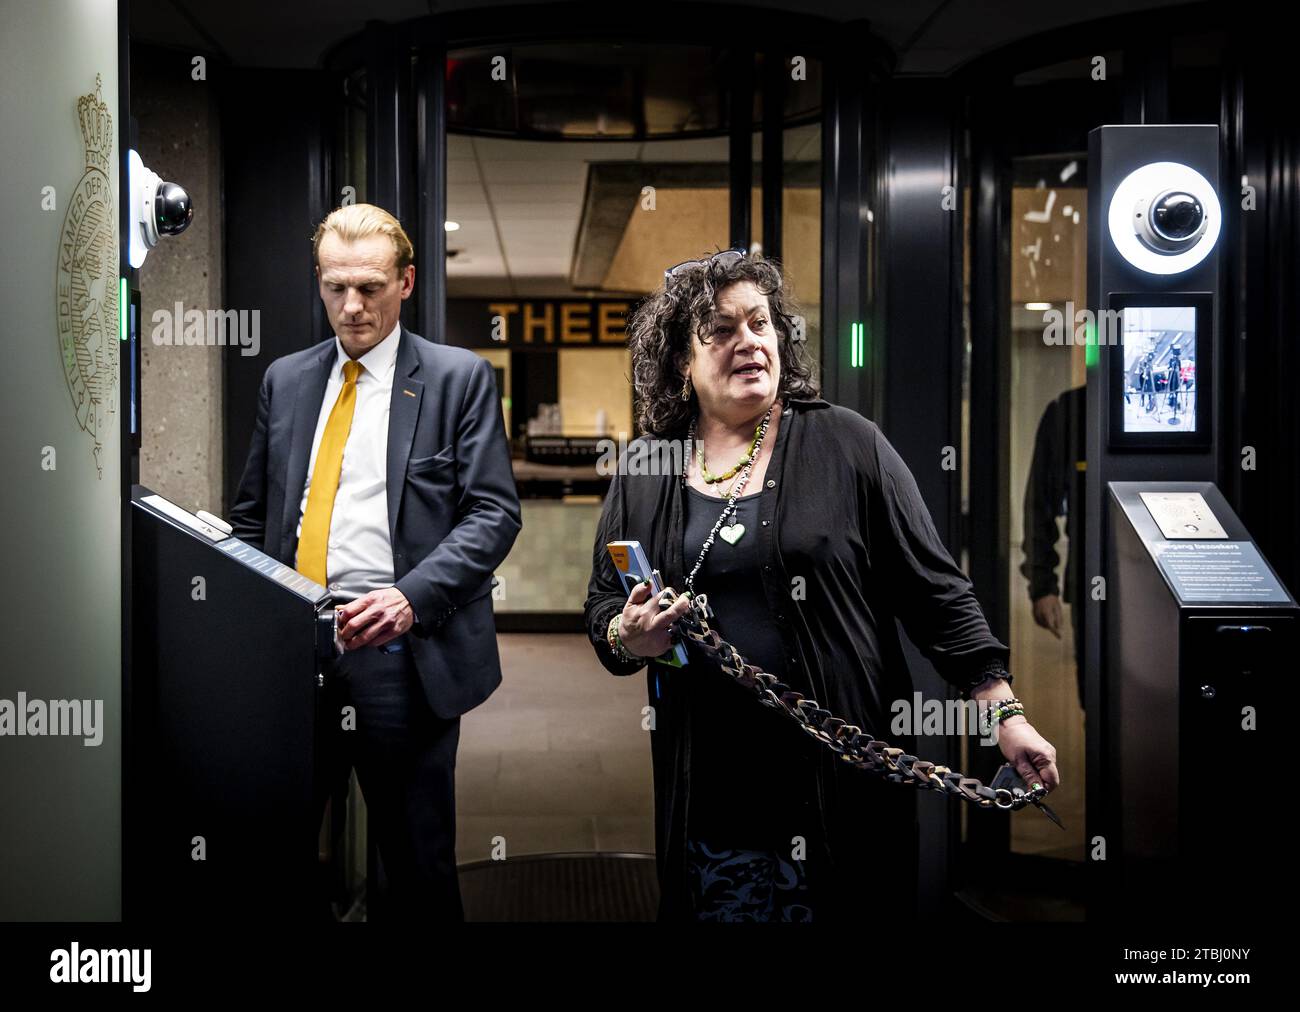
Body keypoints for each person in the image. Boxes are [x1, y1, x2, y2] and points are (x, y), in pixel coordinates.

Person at [583, 250, 1059, 922]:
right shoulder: (648, 467)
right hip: (712, 782)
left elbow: (936, 592)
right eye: (721, 329)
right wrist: (626, 634)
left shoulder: (847, 444)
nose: (749, 341)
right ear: (681, 362)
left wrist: (1005, 715)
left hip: (840, 776)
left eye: (760, 323)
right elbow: (604, 604)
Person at [229, 203, 521, 920]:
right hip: (295, 650)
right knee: (271, 855)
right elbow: (252, 516)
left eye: (369, 286)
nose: (351, 305)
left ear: (407, 282)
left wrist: (409, 599)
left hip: (401, 651)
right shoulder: (287, 381)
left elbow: (493, 514)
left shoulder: (458, 379)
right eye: (335, 287)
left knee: (416, 869)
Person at [1020, 385, 1087, 709]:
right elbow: (1039, 504)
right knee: (1095, 694)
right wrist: (1043, 585)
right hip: (1093, 573)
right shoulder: (1070, 411)